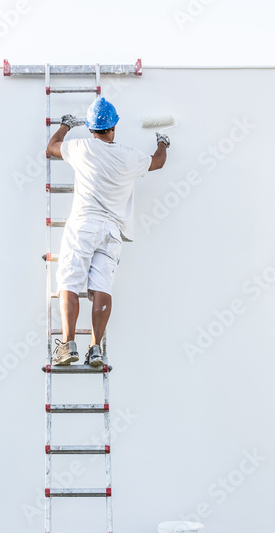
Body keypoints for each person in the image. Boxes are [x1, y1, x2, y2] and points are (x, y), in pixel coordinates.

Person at [46, 97, 169, 367]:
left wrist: (65, 126)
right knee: (101, 286)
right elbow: (158, 162)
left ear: (91, 128)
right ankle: (95, 348)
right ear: (114, 127)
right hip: (111, 230)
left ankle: (67, 345)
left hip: (83, 224)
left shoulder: (81, 148)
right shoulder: (129, 156)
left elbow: (52, 148)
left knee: (68, 280)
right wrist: (163, 142)